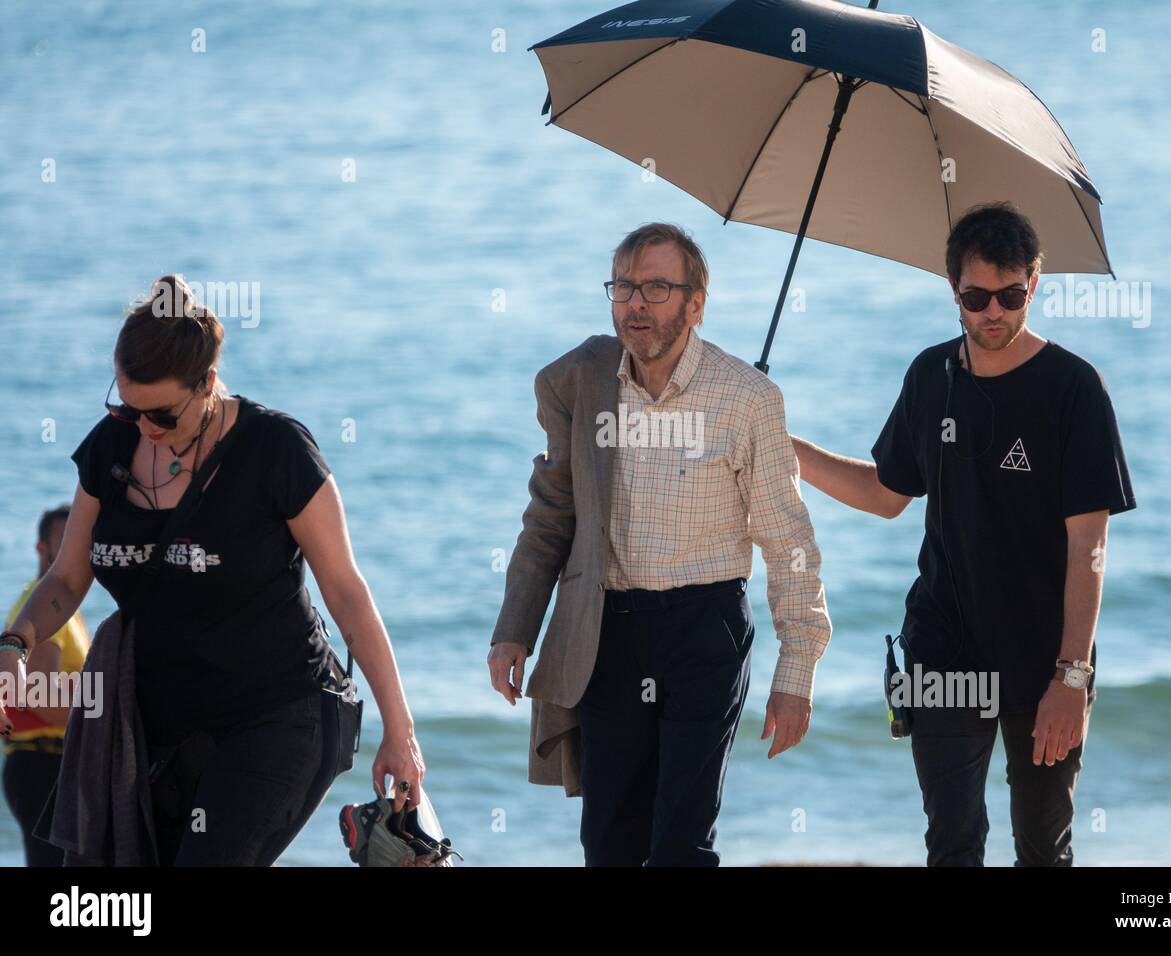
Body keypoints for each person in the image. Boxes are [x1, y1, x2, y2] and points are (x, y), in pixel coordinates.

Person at [0, 275, 425, 866]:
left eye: (162, 414)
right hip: (157, 726)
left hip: (280, 713)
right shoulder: (109, 449)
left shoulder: (275, 451)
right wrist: (15, 643)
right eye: (126, 407)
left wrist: (399, 732)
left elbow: (347, 593)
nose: (143, 426)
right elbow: (68, 579)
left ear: (207, 383)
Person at [791, 202, 1135, 866]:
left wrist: (1072, 675)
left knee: (1043, 845)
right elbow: (885, 493)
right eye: (977, 297)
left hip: (1044, 658)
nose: (993, 313)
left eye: (1010, 295)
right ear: (953, 289)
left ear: (1034, 284)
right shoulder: (930, 377)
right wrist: (787, 449)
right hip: (943, 646)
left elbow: (1088, 546)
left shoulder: (1073, 389)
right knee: (951, 841)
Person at [487, 223, 832, 866]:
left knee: (681, 844)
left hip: (707, 631)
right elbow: (550, 516)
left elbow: (788, 542)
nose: (635, 304)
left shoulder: (748, 399)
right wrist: (515, 629)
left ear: (696, 304)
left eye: (656, 288)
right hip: (610, 631)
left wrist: (797, 673)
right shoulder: (582, 383)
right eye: (623, 287)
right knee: (610, 842)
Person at [1, 506, 90, 866]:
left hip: (38, 763)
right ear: (42, 549)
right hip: (43, 763)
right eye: (65, 540)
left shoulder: (46, 606)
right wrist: (103, 729)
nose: (77, 548)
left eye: (82, 539)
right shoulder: (46, 610)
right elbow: (37, 694)